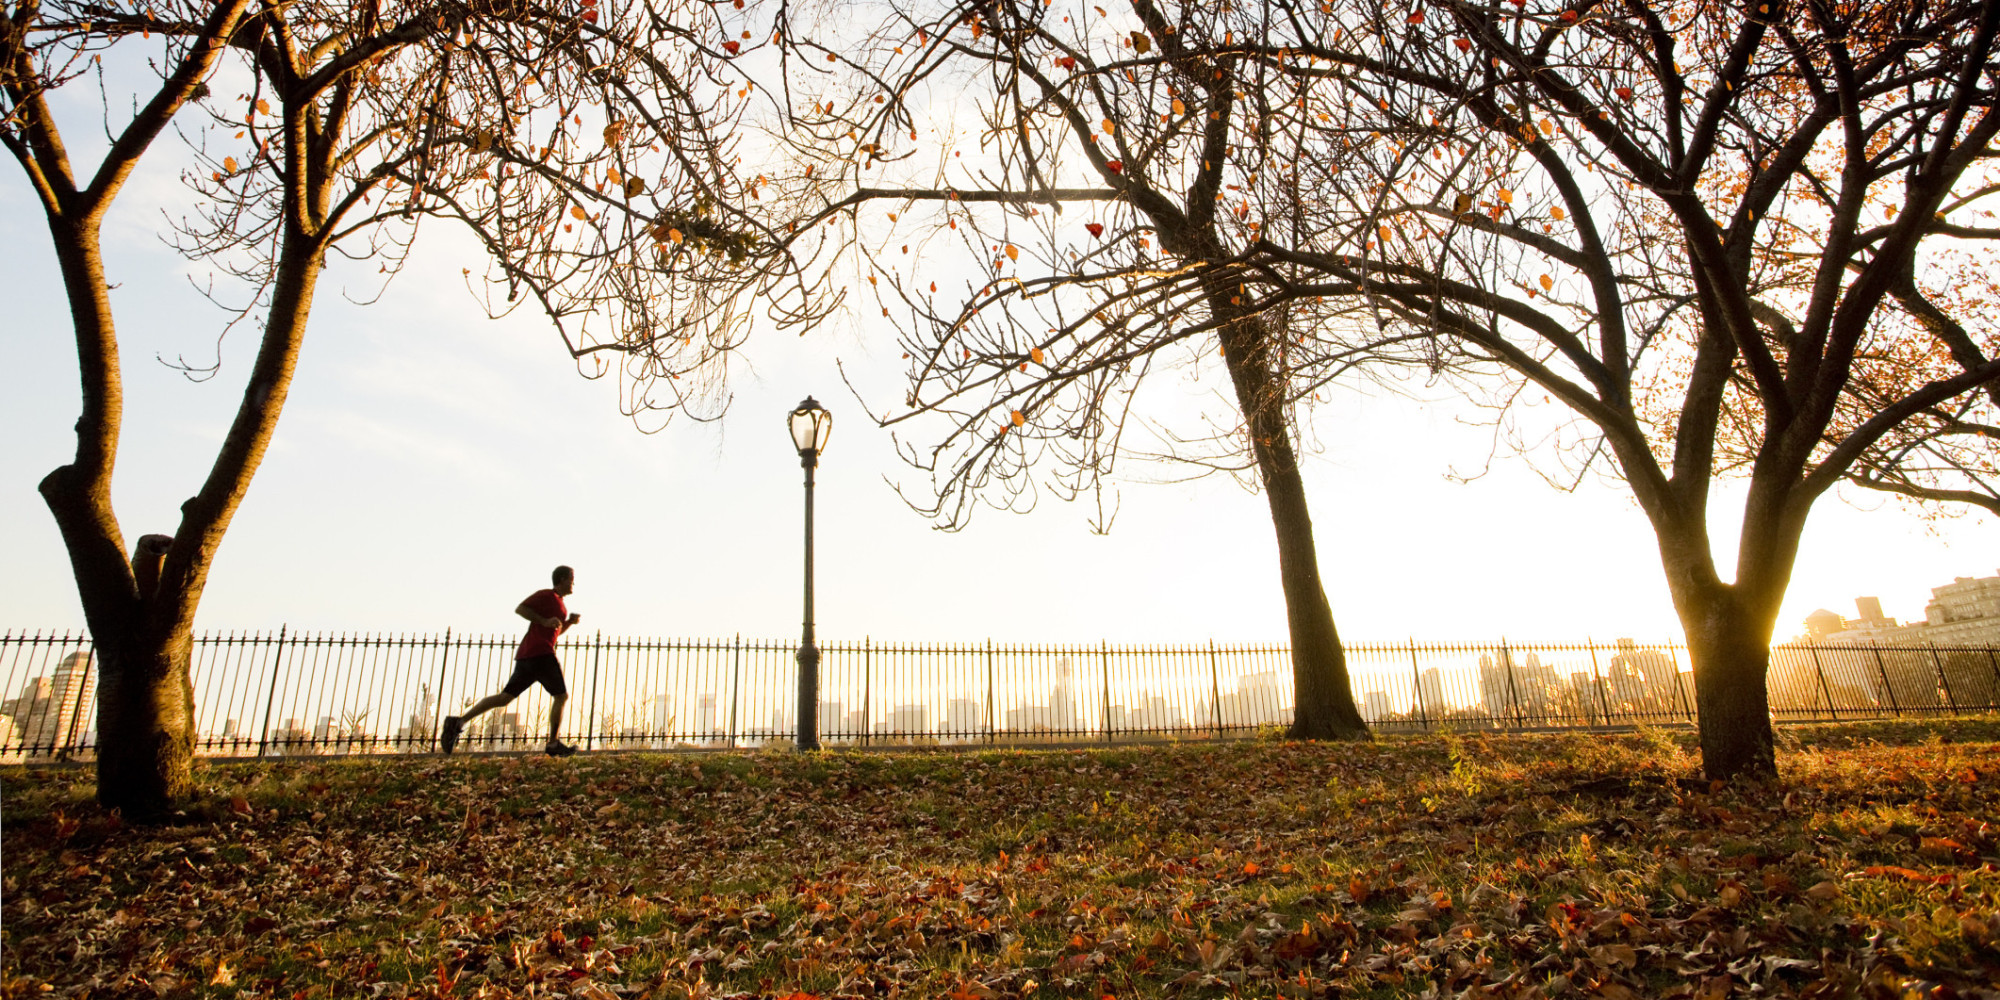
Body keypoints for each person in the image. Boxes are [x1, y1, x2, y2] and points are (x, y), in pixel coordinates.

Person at [440, 565, 583, 758]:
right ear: (562, 579)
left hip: (529, 655)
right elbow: (521, 609)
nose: (574, 582)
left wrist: (567, 624)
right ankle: (553, 743)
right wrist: (543, 620)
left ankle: (458, 722)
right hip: (541, 654)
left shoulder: (561, 604)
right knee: (561, 696)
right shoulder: (546, 595)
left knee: (505, 698)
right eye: (571, 578)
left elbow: (553, 632)